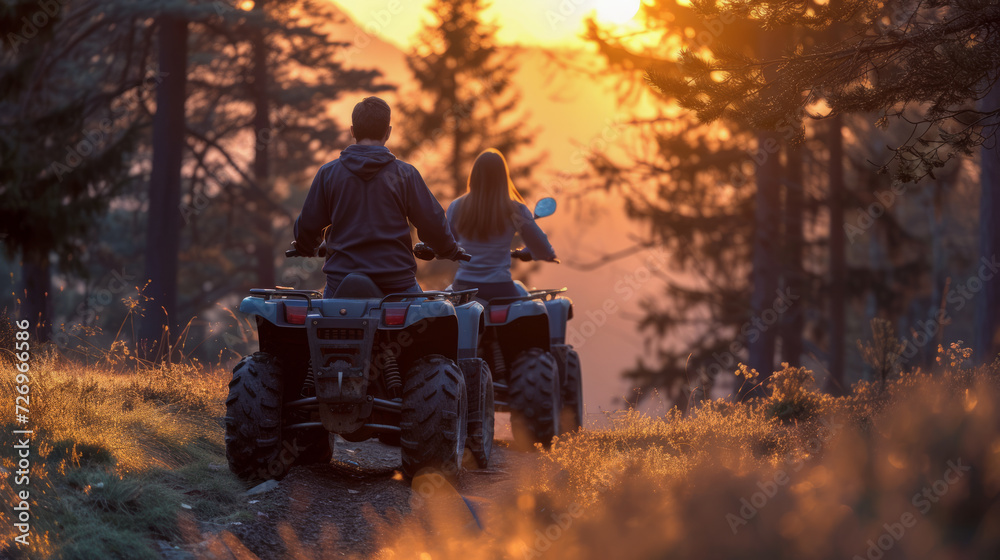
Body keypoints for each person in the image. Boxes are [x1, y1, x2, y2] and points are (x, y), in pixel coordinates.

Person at [293, 96, 461, 297]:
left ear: (353, 131)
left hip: (342, 282)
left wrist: (305, 246)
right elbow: (432, 223)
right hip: (397, 283)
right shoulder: (405, 174)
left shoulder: (328, 174)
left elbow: (308, 225)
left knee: (324, 322)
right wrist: (448, 250)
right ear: (388, 132)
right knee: (425, 321)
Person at [447, 149, 557, 301]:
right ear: (503, 177)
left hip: (464, 288)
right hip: (500, 288)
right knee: (534, 306)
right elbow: (541, 247)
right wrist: (546, 254)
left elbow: (448, 244)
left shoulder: (456, 206)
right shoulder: (516, 209)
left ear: (475, 175)